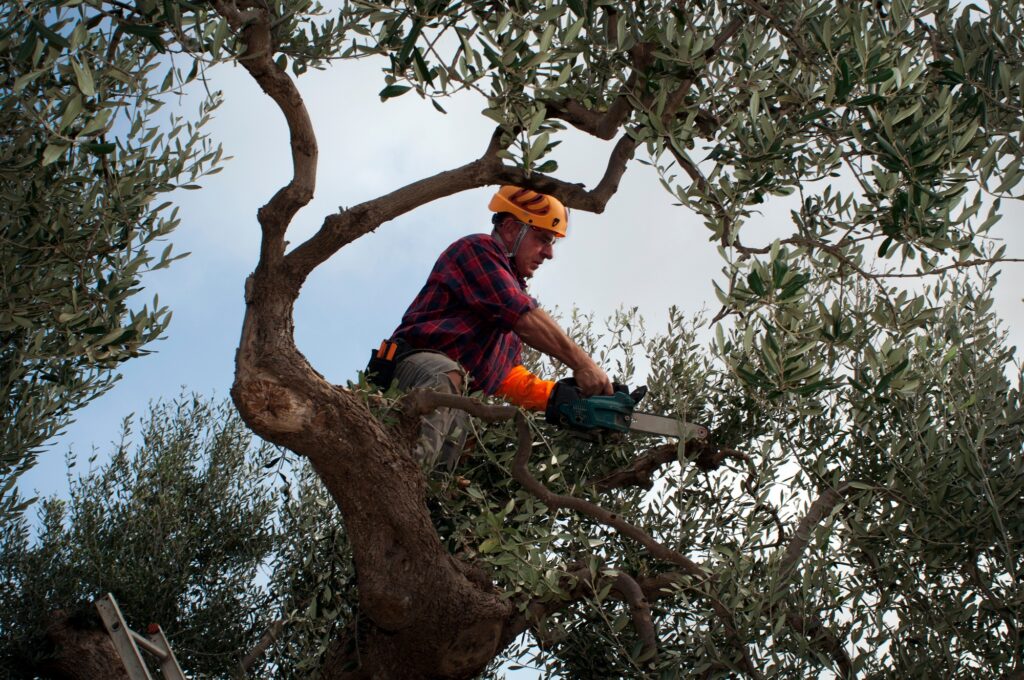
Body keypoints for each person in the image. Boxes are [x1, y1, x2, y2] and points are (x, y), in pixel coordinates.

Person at [377, 185, 613, 469]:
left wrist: (561, 397)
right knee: (446, 375)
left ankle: (424, 500)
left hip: (450, 398)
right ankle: (403, 479)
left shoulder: (509, 311)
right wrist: (584, 365)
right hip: (410, 373)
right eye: (543, 239)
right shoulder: (477, 250)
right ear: (512, 228)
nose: (549, 253)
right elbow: (521, 314)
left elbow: (506, 379)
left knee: (466, 426)